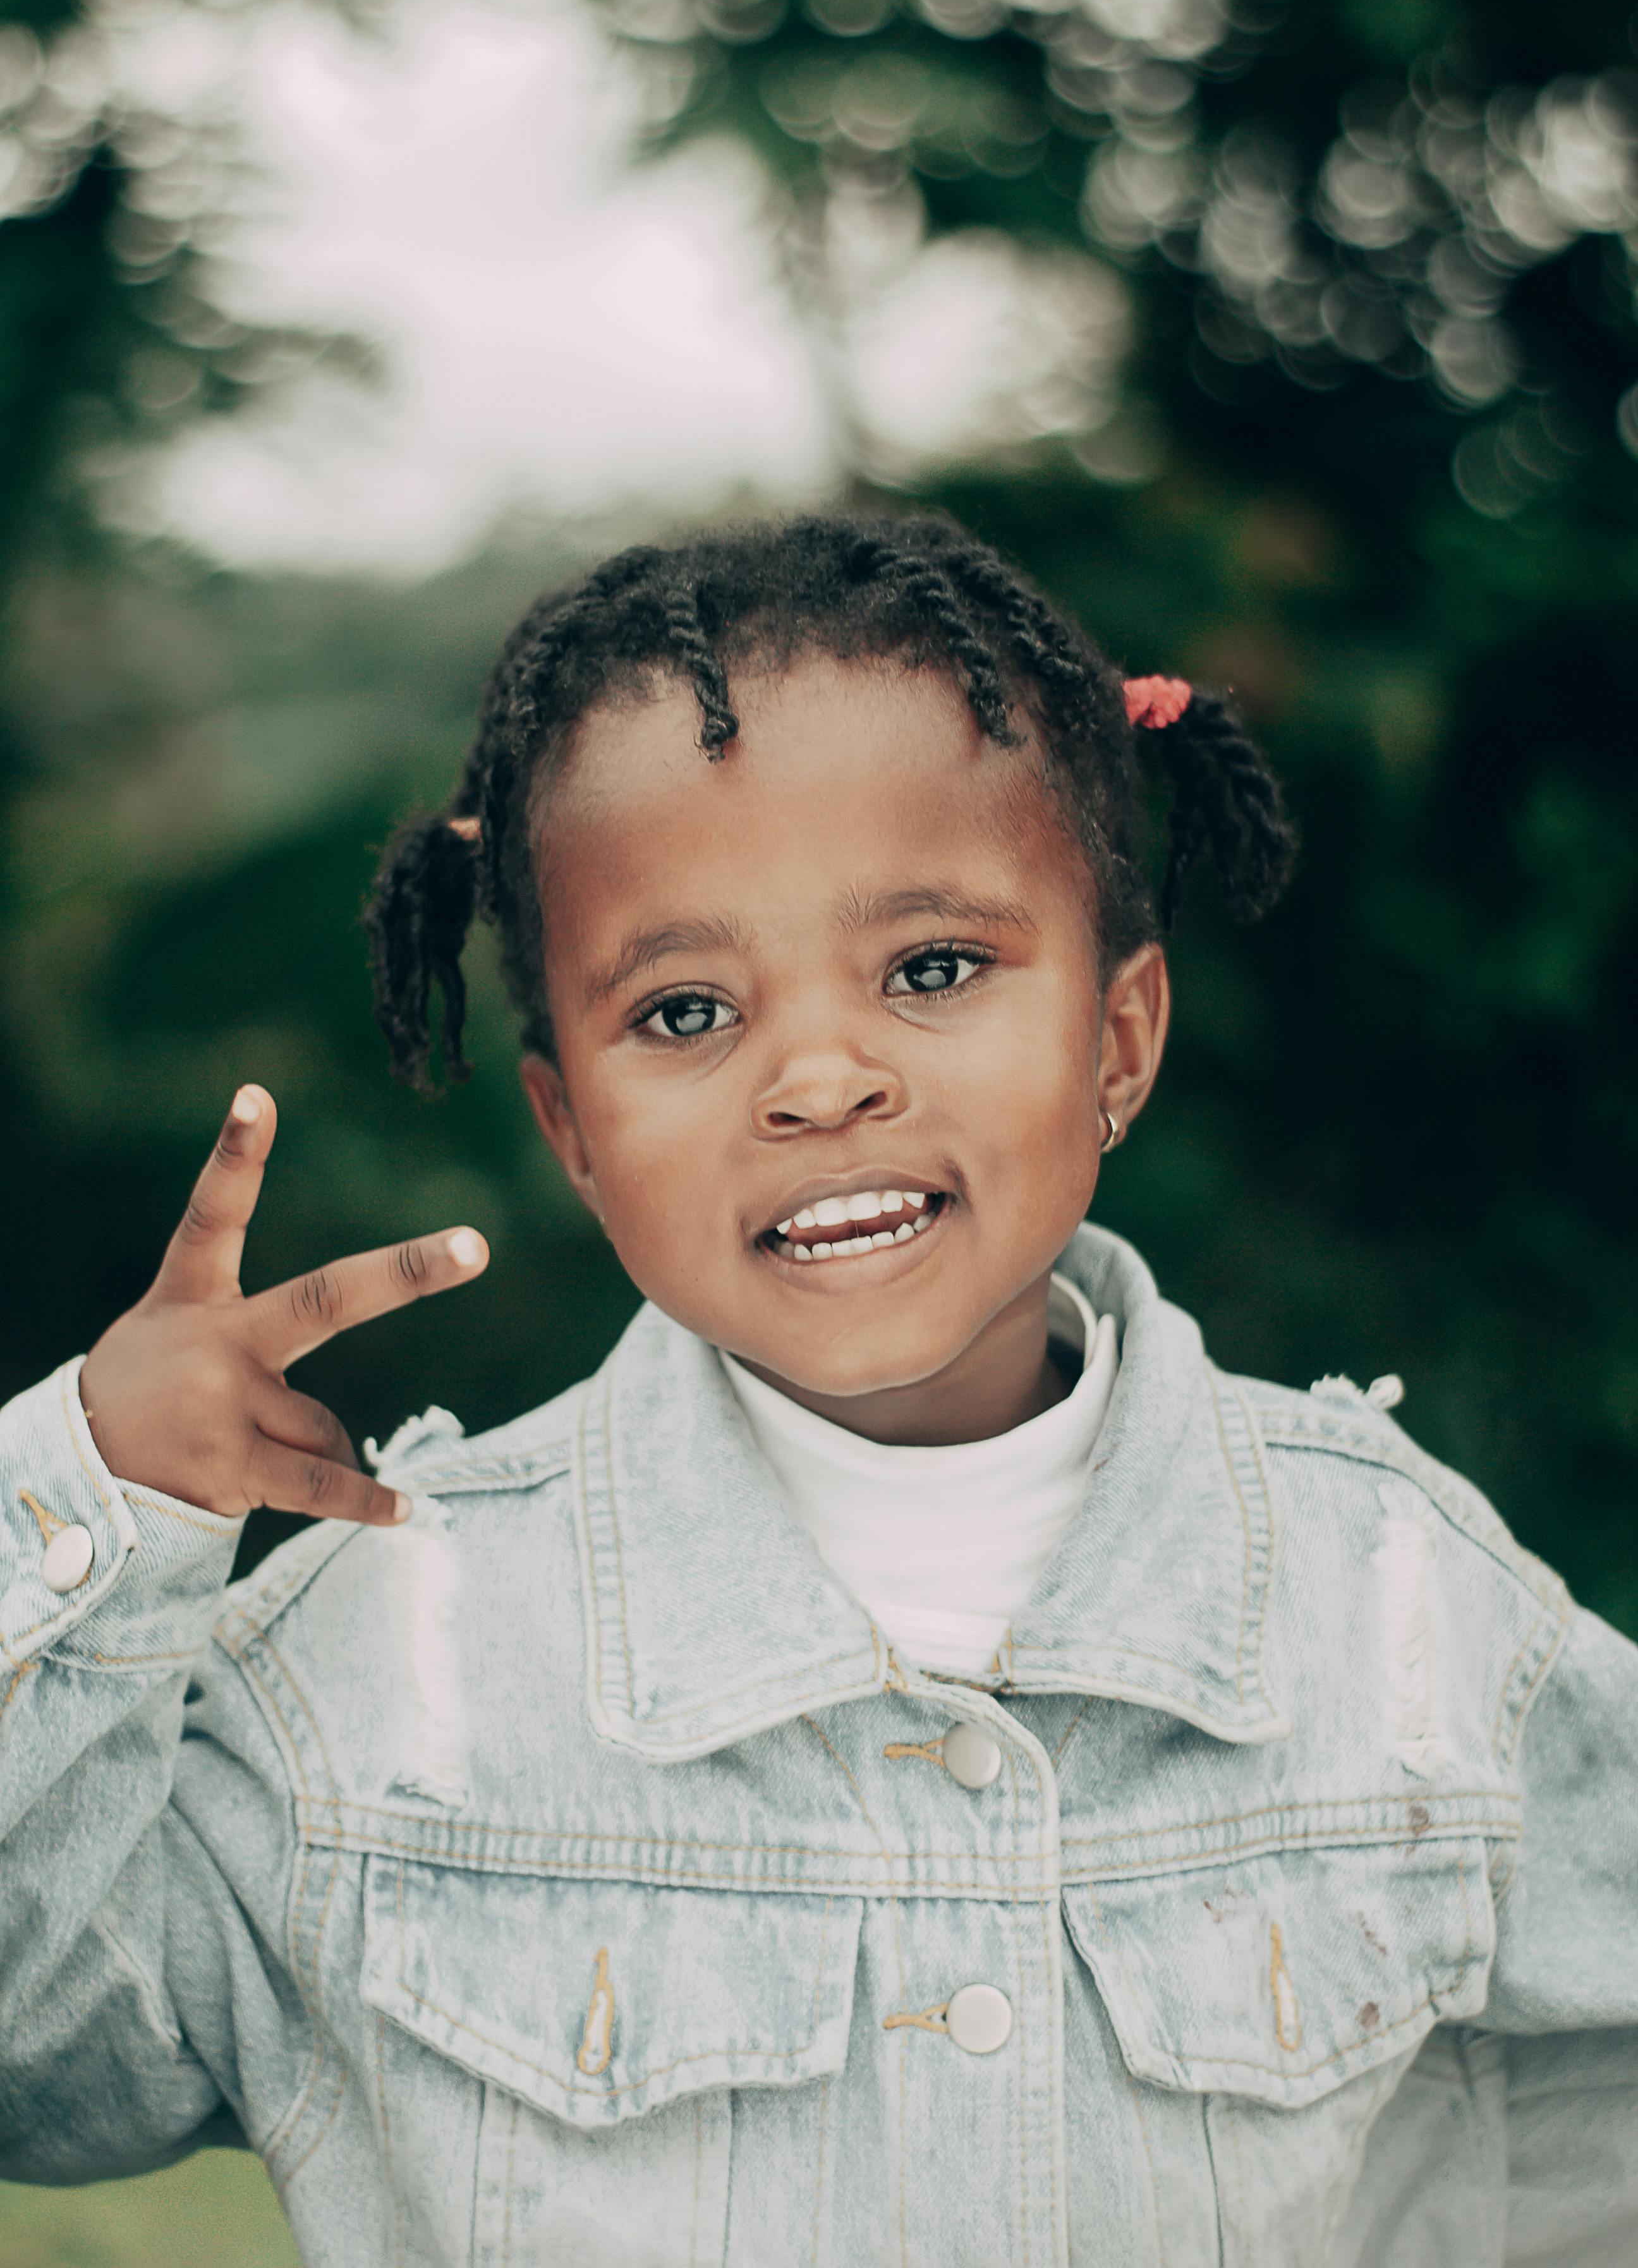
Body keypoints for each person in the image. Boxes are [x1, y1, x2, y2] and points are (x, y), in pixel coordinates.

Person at [1, 512, 1632, 2268]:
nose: (820, 1079)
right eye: (689, 1012)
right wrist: (97, 1493)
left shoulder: (1396, 1599)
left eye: (932, 970)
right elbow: (42, 2070)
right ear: (571, 1134)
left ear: (1119, 1042)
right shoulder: (385, 1658)